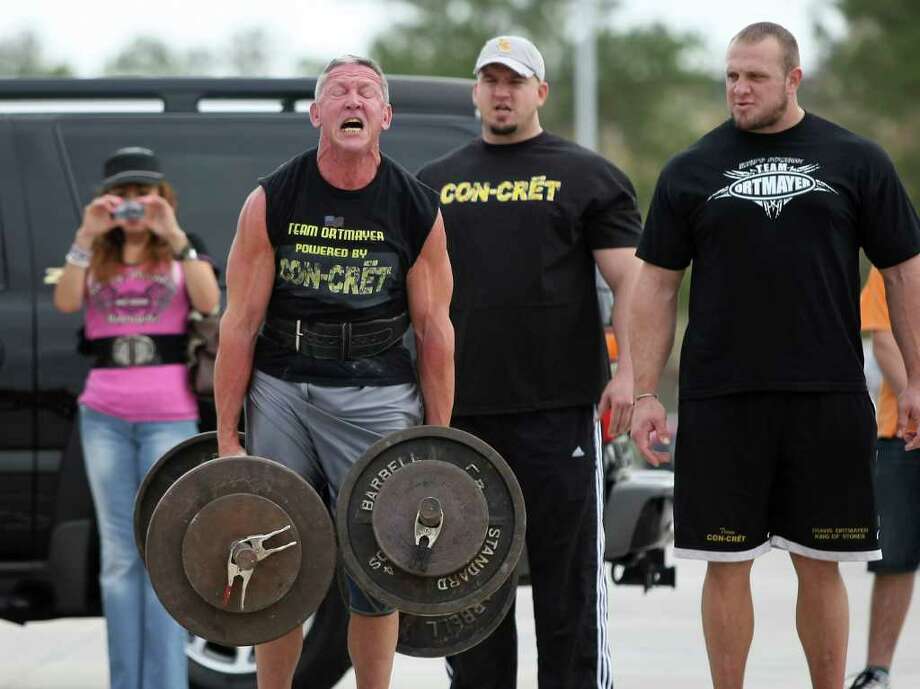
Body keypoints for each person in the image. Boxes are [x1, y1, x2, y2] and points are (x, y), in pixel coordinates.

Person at [629, 21, 920, 689]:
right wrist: (646, 389)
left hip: (827, 395)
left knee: (822, 560)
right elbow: (655, 285)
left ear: (794, 79)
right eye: (731, 75)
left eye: (754, 76)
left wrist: (917, 380)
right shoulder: (690, 169)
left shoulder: (857, 160)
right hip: (720, 398)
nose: (739, 88)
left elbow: (904, 271)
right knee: (723, 562)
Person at [213, 55, 453, 689]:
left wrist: (437, 439)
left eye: (367, 92)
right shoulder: (272, 198)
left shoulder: (416, 207)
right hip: (284, 389)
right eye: (339, 92)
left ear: (385, 116)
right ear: (318, 113)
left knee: (377, 565)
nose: (354, 99)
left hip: (378, 392)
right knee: (272, 560)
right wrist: (228, 436)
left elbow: (434, 329)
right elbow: (239, 322)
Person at [417, 35, 642, 689]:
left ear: (540, 92)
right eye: (490, 80)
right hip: (465, 418)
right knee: (470, 583)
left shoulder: (587, 176)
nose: (502, 91)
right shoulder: (434, 182)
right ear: (476, 92)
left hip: (559, 413)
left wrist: (629, 373)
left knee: (567, 582)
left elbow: (632, 282)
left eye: (515, 81)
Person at [53, 146, 221, 689]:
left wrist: (174, 234)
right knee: (120, 559)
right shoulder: (95, 255)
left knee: (164, 554)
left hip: (167, 416)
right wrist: (85, 235)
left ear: (162, 198)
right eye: (121, 195)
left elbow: (209, 300)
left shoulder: (178, 251)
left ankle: (167, 683)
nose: (131, 205)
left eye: (142, 194)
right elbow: (64, 301)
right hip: (104, 413)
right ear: (105, 201)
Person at [849, 268, 920, 689]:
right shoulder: (898, 258)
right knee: (894, 557)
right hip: (903, 431)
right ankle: (878, 671)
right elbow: (884, 341)